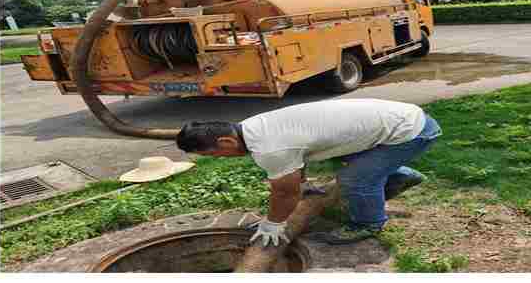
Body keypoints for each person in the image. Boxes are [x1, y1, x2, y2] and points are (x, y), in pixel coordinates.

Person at [176, 98, 442, 246]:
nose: (218, 159)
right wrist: (300, 184)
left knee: (354, 179)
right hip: (396, 118)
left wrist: (273, 224)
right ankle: (400, 175)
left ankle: (369, 224)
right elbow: (294, 158)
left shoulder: (269, 147)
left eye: (212, 154)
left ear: (225, 142)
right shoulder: (250, 127)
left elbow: (284, 192)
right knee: (359, 170)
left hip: (409, 131)